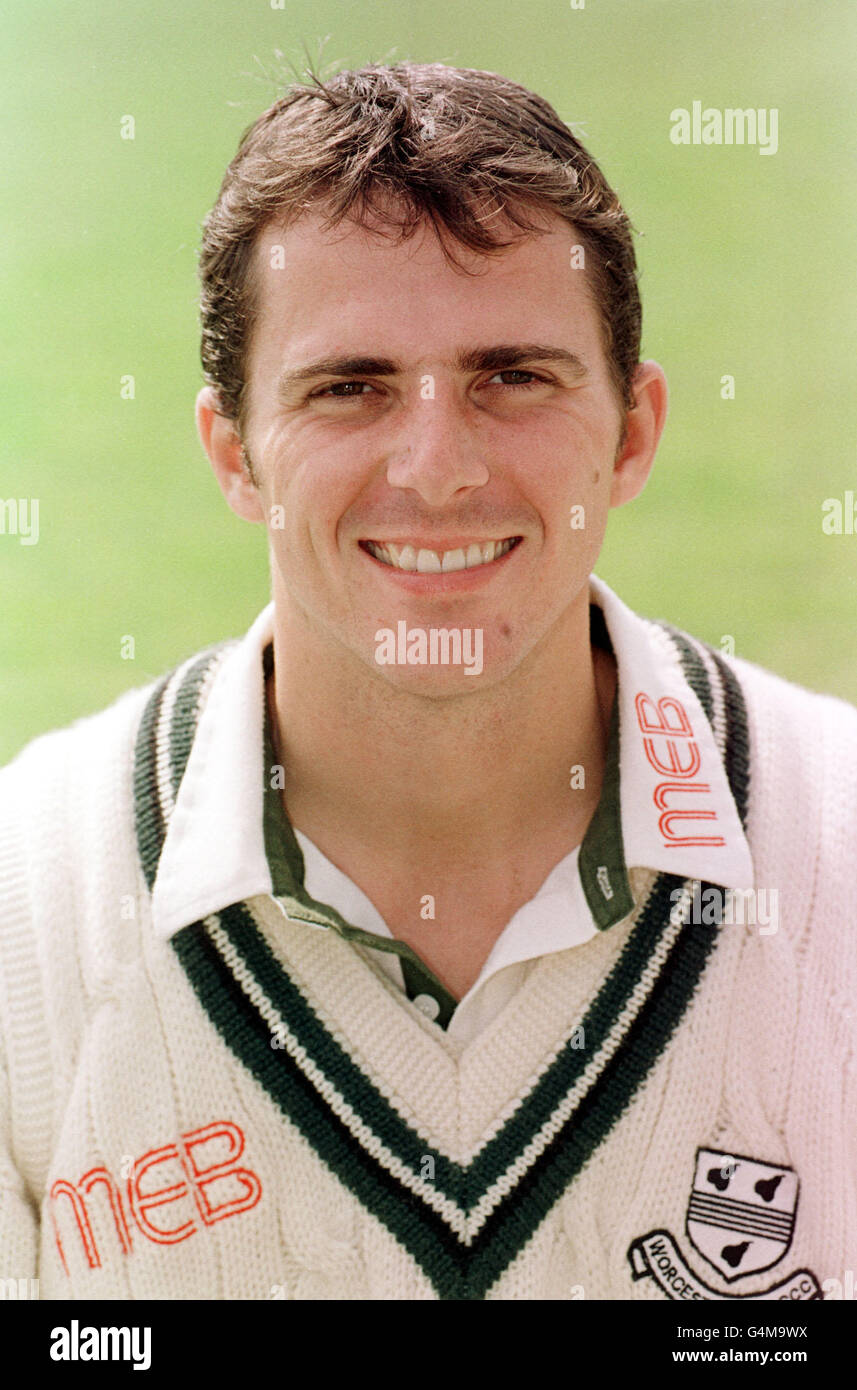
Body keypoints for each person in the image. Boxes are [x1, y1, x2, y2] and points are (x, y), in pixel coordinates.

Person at [1, 62, 854, 1303]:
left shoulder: (838, 843)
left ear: (630, 430)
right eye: (347, 388)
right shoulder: (25, 909)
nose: (439, 465)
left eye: (512, 375)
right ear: (235, 454)